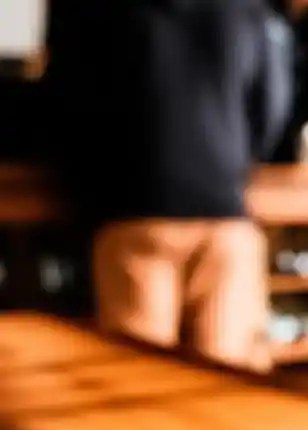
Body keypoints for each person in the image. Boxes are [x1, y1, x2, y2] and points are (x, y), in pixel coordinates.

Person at [43, 0, 292, 370]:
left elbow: (62, 111)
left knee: (141, 385)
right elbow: (272, 110)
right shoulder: (249, 11)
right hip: (224, 216)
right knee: (231, 390)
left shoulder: (93, 11)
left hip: (135, 212)